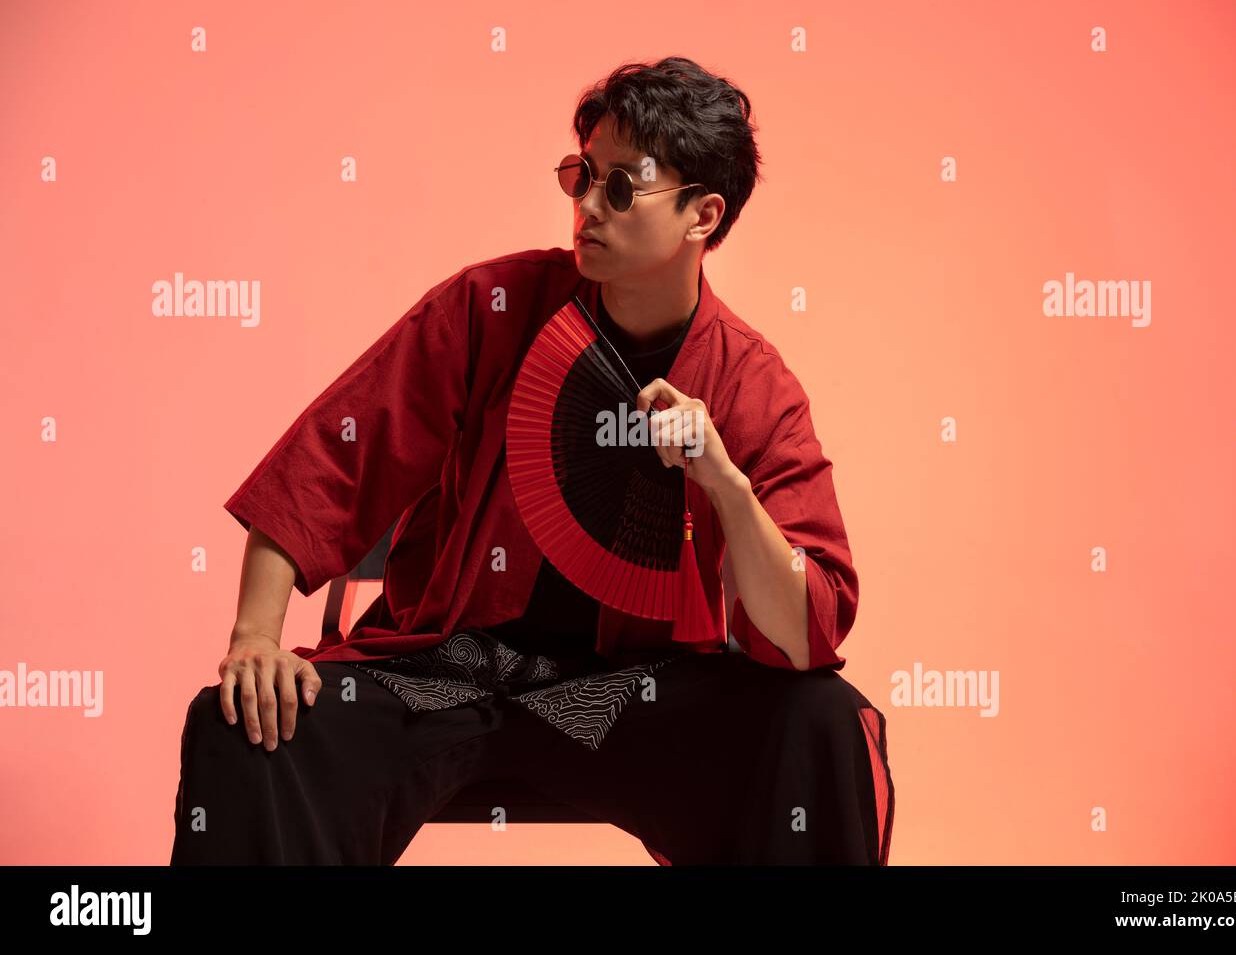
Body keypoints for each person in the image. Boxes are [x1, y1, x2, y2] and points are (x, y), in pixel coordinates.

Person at [170, 56, 895, 866]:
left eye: (622, 187)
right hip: (446, 675)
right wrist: (254, 636)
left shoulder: (749, 382)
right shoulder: (492, 307)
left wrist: (725, 485)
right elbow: (332, 461)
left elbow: (805, 633)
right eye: (581, 174)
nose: (586, 206)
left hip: (632, 693)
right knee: (243, 723)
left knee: (824, 721)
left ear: (703, 214)